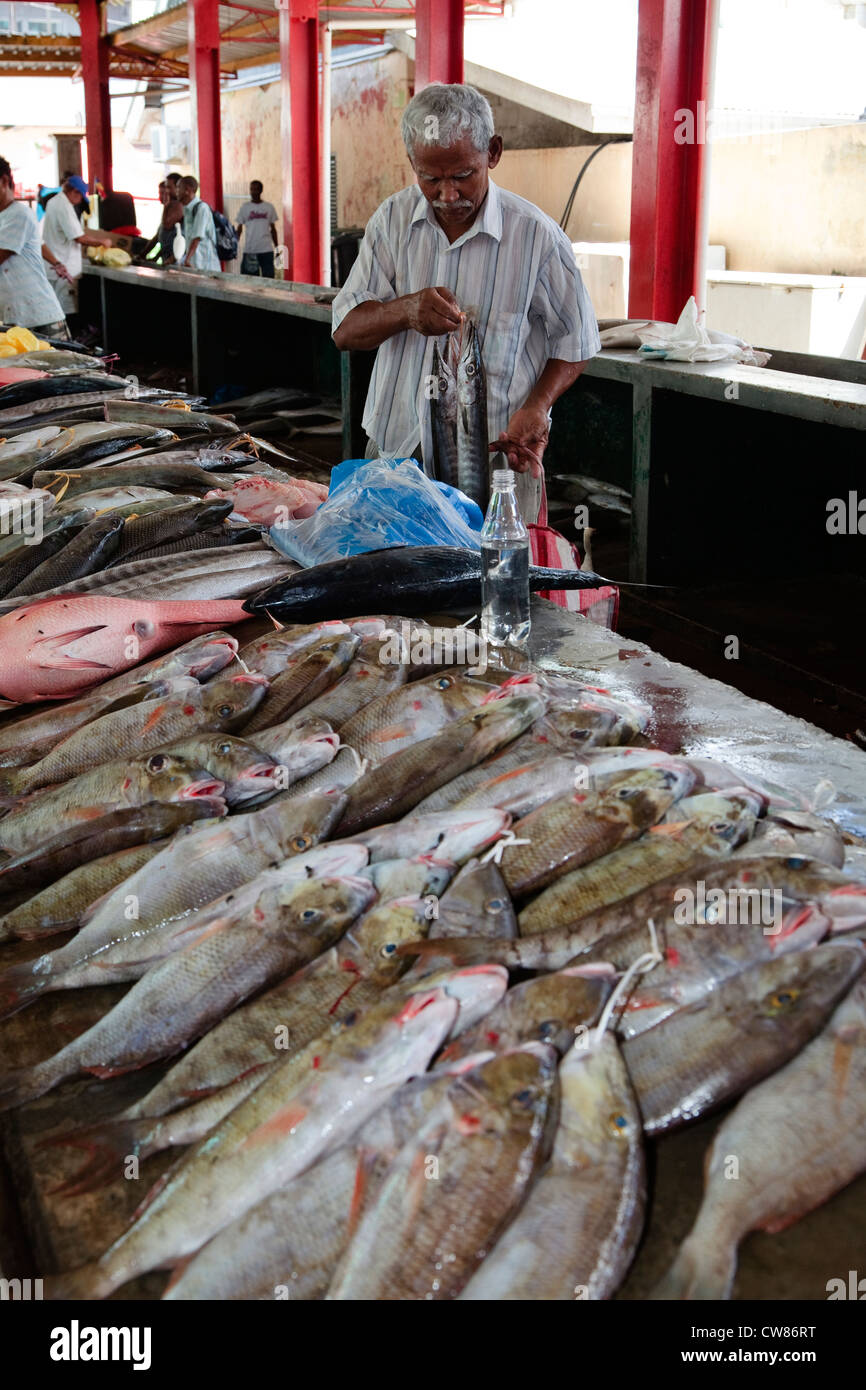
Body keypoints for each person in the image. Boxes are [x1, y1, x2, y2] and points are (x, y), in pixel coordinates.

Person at [331, 83, 600, 522]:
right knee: (394, 578)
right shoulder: (392, 220)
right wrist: (404, 311)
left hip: (498, 461)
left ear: (492, 152)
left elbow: (577, 341)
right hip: (398, 452)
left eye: (462, 176)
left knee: (496, 581)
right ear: (412, 164)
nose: (447, 195)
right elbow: (344, 331)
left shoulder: (536, 236)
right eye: (430, 178)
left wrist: (537, 406)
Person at [0, 155, 71, 339]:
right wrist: (56, 263)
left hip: (39, 318)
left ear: (4, 181)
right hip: (13, 318)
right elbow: (38, 243)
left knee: (54, 368)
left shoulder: (19, 214)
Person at [41, 174, 111, 318]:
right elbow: (79, 237)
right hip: (63, 270)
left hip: (54, 267)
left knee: (55, 311)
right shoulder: (64, 206)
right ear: (74, 192)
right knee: (66, 313)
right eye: (80, 197)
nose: (79, 202)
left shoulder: (53, 201)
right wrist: (102, 242)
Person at [235, 181, 278, 277]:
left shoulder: (269, 207)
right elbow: (239, 229)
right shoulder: (245, 208)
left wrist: (277, 247)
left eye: (256, 189)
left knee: (269, 280)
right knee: (250, 281)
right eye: (252, 189)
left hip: (266, 250)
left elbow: (273, 229)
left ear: (261, 191)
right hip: (250, 250)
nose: (253, 192)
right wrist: (234, 246)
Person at [177, 176, 220, 272]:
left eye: (179, 188)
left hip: (206, 266)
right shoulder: (187, 210)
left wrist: (187, 259)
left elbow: (197, 237)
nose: (177, 191)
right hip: (194, 264)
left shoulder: (202, 209)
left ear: (187, 190)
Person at [136, 180, 184, 265]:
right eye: (161, 193)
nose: (161, 196)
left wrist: (166, 204)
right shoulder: (168, 208)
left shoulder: (177, 206)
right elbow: (159, 237)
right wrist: (144, 255)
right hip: (167, 259)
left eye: (164, 193)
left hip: (178, 261)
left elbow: (167, 224)